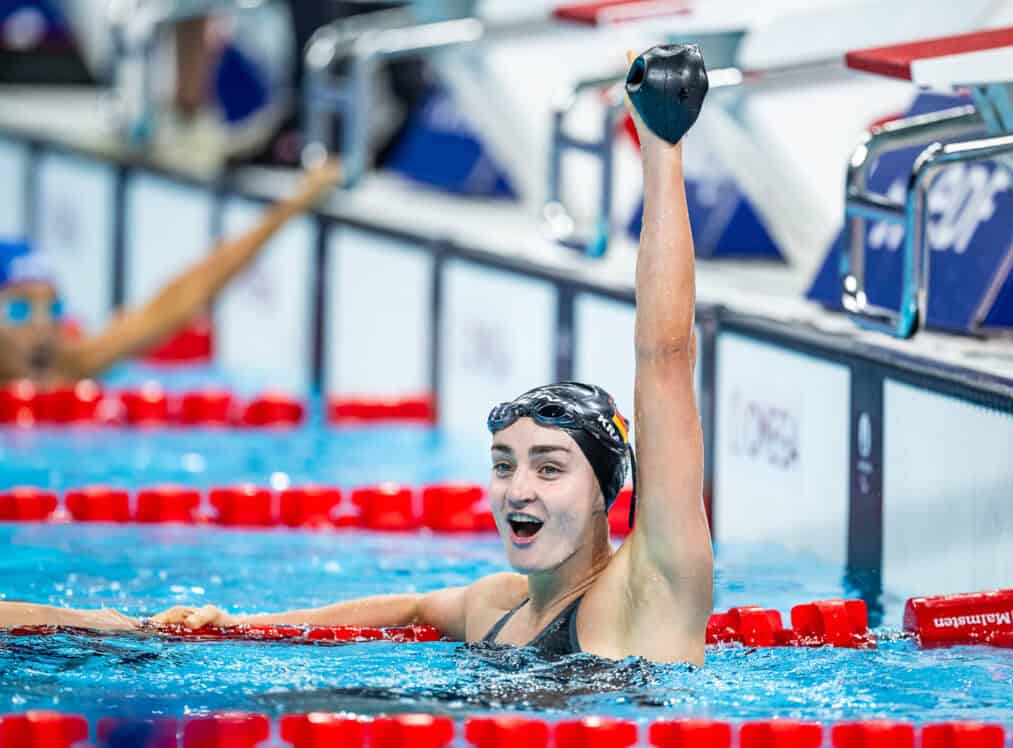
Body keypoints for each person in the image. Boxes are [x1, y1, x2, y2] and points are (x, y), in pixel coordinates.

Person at [0, 51, 713, 665]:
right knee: (115, 633)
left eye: (548, 467)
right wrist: (241, 628)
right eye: (504, 464)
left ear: (605, 492)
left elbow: (666, 354)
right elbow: (408, 610)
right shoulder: (496, 604)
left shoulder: (647, 591)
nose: (516, 489)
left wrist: (662, 151)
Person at [0, 159, 341, 386]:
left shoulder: (71, 366)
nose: (43, 327)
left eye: (55, 308)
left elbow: (184, 298)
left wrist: (293, 205)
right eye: (19, 310)